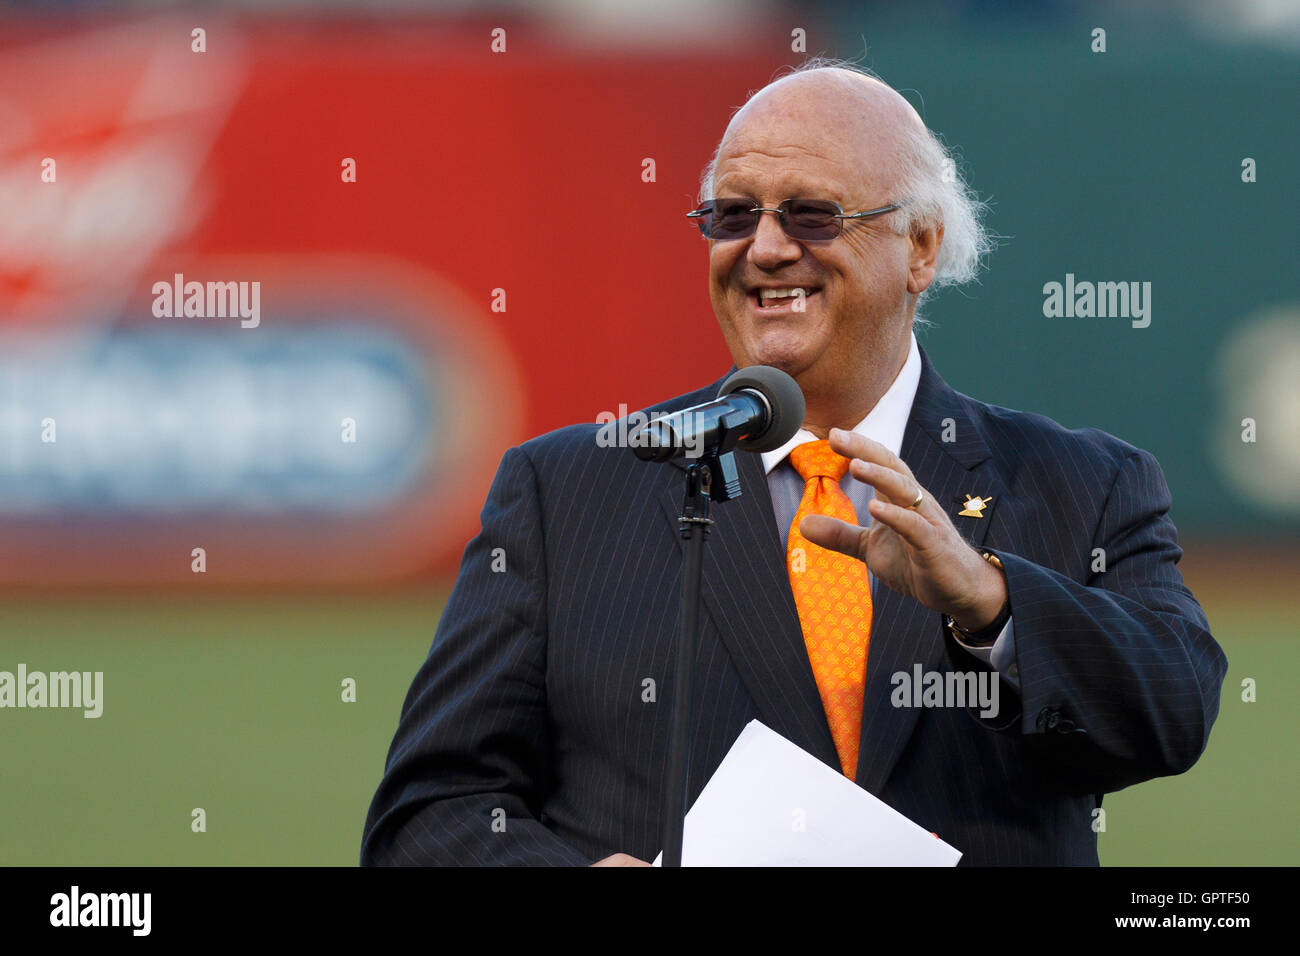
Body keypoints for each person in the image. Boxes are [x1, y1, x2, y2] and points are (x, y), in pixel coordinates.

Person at [361, 61, 1228, 866]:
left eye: (812, 214)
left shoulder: (1080, 483)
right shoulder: (568, 491)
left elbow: (1175, 712)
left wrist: (988, 603)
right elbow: (427, 816)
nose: (766, 248)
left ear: (921, 247)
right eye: (733, 216)